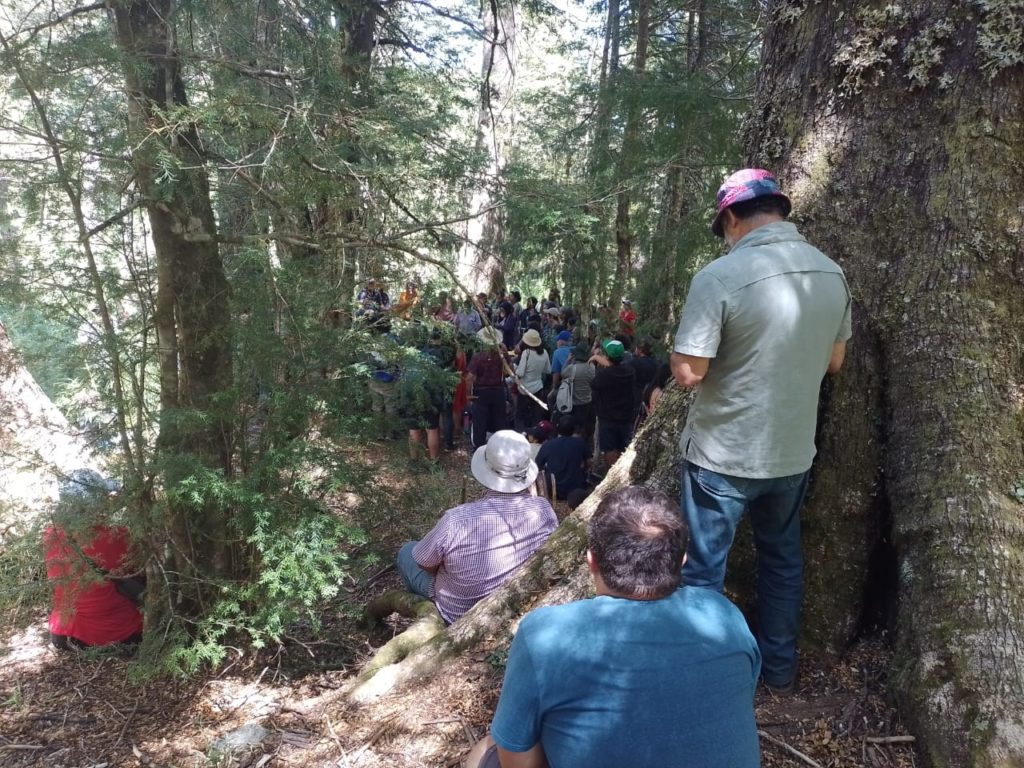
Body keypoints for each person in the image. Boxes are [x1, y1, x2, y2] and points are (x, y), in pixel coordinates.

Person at [671, 168, 852, 694]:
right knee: (782, 560)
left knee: (703, 569)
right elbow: (835, 363)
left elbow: (689, 373)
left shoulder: (720, 277)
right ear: (779, 210)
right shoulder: (831, 273)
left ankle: (706, 678)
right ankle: (778, 670)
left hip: (721, 454)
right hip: (791, 453)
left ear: (730, 217)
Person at [468, 486, 761, 768]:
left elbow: (518, 761)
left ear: (591, 561)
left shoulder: (544, 634)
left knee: (484, 750)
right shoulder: (724, 615)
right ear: (682, 560)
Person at [396, 431, 558, 624]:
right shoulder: (543, 510)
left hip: (457, 613)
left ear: (487, 470)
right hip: (514, 604)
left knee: (407, 552)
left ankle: (428, 613)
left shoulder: (457, 519)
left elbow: (424, 562)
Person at [45, 470, 144, 651]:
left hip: (63, 635)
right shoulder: (117, 535)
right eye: (103, 496)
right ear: (95, 502)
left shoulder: (52, 535)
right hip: (118, 634)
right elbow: (139, 571)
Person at [590, 339, 636, 471]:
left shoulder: (604, 375)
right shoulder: (630, 372)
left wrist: (595, 359)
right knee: (623, 447)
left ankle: (611, 473)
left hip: (608, 418)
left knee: (609, 448)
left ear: (607, 357)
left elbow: (593, 385)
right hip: (626, 417)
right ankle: (622, 473)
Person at [467, 327, 509, 449]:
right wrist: (506, 354)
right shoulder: (501, 355)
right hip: (498, 391)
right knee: (499, 422)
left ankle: (479, 450)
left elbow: (469, 377)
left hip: (481, 392)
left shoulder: (478, 356)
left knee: (479, 423)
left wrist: (468, 394)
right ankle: (499, 448)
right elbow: (509, 371)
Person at [535, 419, 589, 500]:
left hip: (554, 490)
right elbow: (589, 462)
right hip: (576, 489)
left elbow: (537, 466)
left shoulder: (548, 445)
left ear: (557, 428)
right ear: (573, 430)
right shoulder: (580, 443)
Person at [514, 329, 551, 431]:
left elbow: (520, 373)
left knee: (520, 415)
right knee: (536, 416)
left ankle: (521, 434)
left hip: (524, 389)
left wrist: (515, 370)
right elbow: (548, 370)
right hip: (538, 388)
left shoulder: (527, 353)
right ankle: (536, 436)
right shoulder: (545, 353)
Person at [561, 342, 597, 446]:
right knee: (582, 425)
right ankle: (583, 443)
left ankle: (573, 444)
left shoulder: (572, 368)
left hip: (574, 402)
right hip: (587, 401)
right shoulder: (592, 367)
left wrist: (568, 360)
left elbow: (562, 372)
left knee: (573, 426)